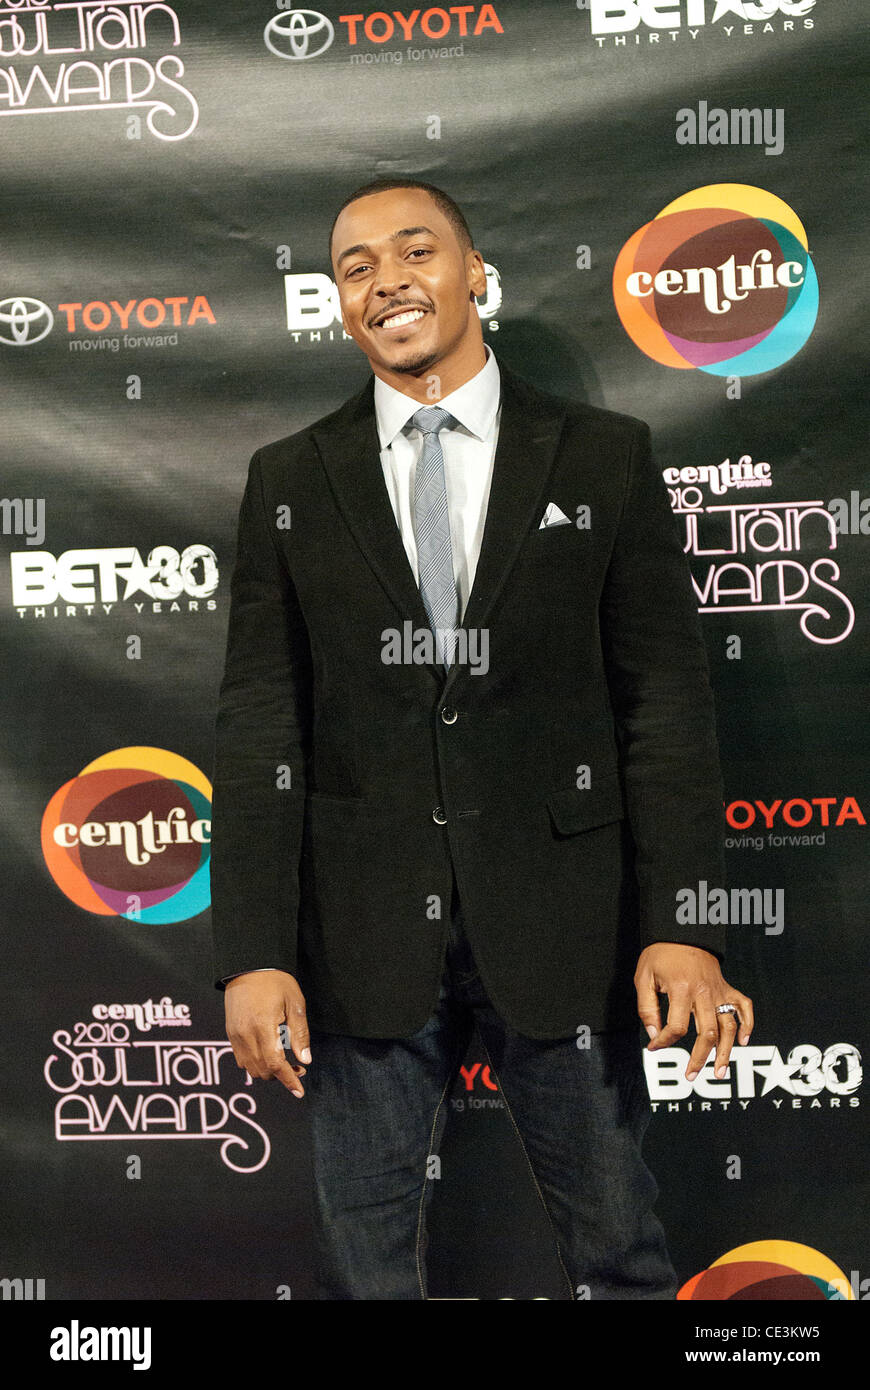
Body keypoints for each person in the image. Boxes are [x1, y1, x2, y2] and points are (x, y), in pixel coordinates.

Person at [210, 177, 754, 1300]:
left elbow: (665, 704)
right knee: (369, 1272)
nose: (388, 279)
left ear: (476, 277)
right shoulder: (289, 481)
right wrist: (254, 950)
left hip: (570, 922)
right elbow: (264, 722)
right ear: (340, 307)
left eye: (416, 251)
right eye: (356, 266)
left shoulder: (603, 456)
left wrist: (682, 925)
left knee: (621, 1251)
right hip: (358, 928)